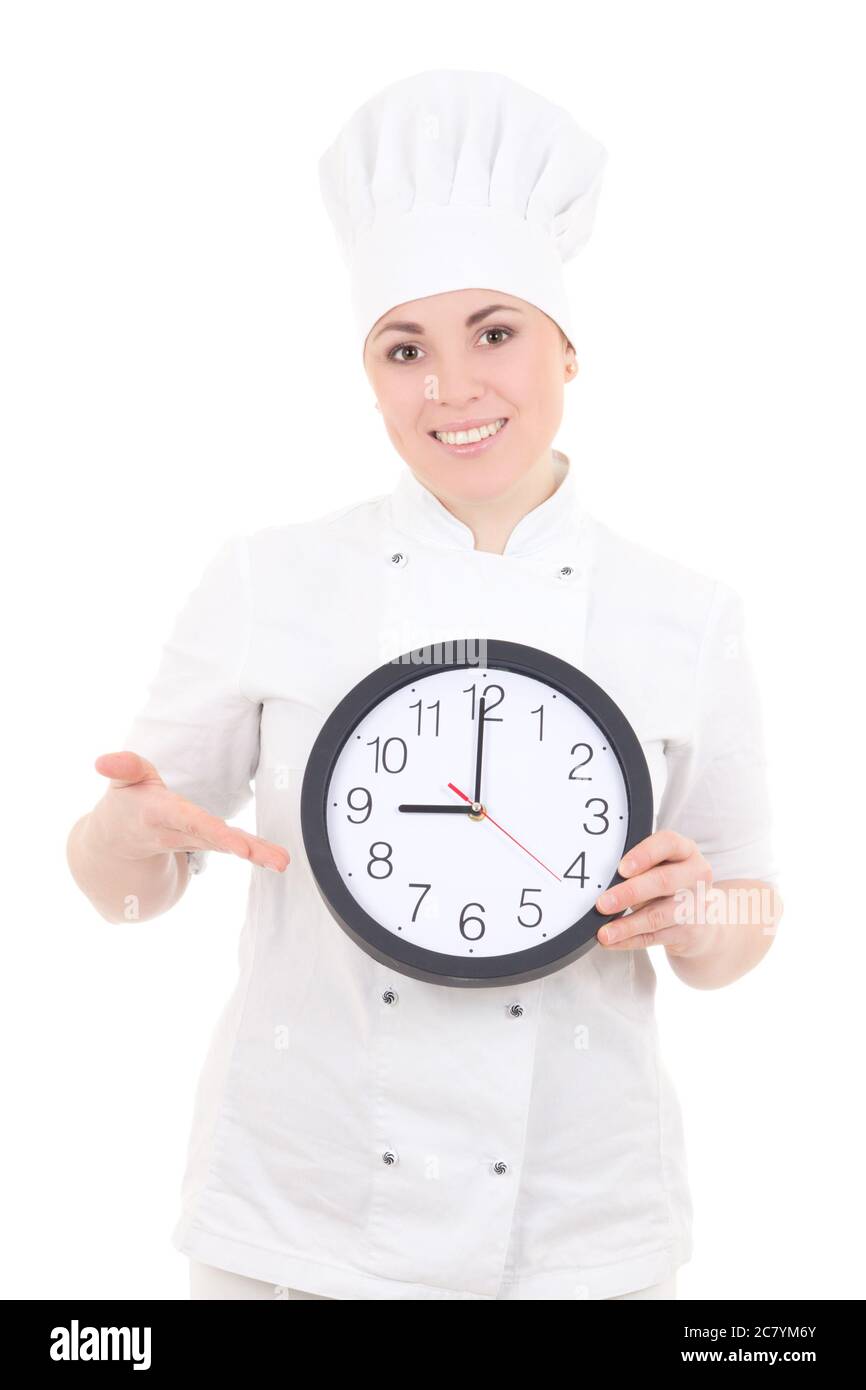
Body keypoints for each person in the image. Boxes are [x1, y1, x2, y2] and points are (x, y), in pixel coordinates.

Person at [66, 69, 783, 1301]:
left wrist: (693, 916)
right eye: (405, 349)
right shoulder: (264, 578)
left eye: (493, 332)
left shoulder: (686, 615)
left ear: (565, 345)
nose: (450, 387)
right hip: (292, 1224)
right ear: (369, 371)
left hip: (578, 1231)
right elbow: (115, 881)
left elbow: (742, 923)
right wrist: (125, 835)